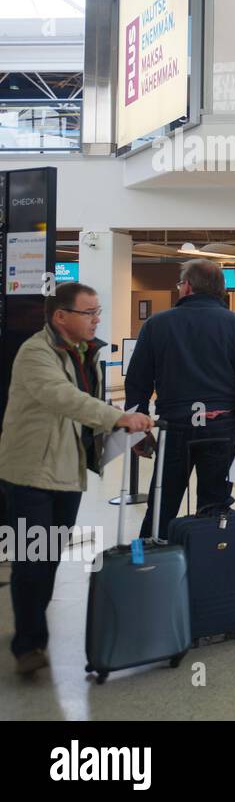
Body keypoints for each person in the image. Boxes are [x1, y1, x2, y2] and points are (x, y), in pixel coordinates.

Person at [0, 283, 153, 674]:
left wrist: (125, 433)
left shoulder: (86, 352)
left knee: (49, 556)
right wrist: (116, 417)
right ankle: (28, 645)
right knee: (32, 556)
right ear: (60, 316)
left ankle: (32, 623)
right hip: (31, 472)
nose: (96, 319)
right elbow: (62, 397)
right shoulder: (37, 352)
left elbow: (90, 404)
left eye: (97, 312)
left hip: (67, 472)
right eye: (89, 313)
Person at [126, 259, 235, 539]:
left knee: (162, 503)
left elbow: (137, 382)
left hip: (173, 428)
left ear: (187, 286)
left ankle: (153, 565)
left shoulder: (157, 325)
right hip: (221, 427)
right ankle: (211, 566)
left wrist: (138, 430)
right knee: (215, 507)